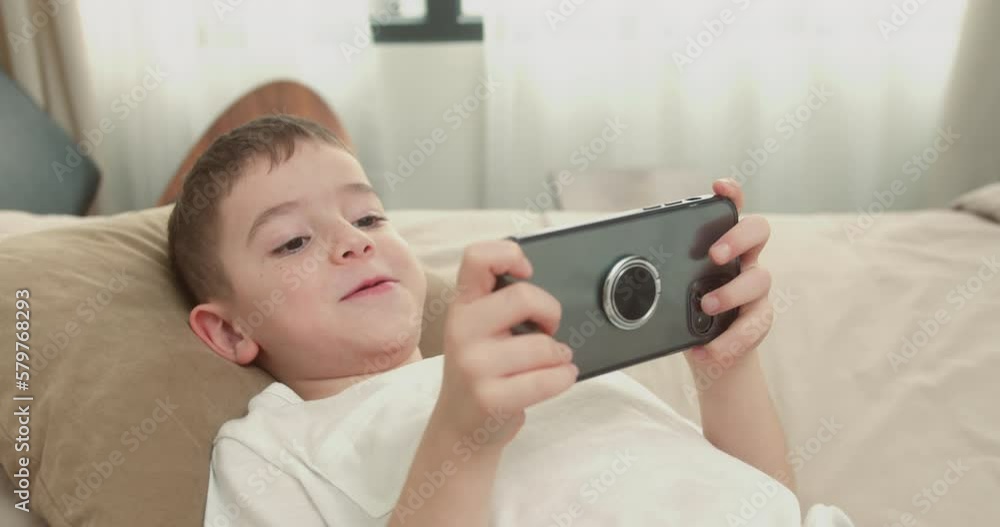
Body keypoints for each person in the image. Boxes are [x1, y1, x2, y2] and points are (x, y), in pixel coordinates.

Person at [167, 115, 853, 526]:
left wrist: (726, 369)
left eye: (368, 214)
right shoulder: (273, 440)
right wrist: (464, 437)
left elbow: (764, 502)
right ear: (228, 331)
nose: (355, 240)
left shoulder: (551, 360)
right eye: (292, 241)